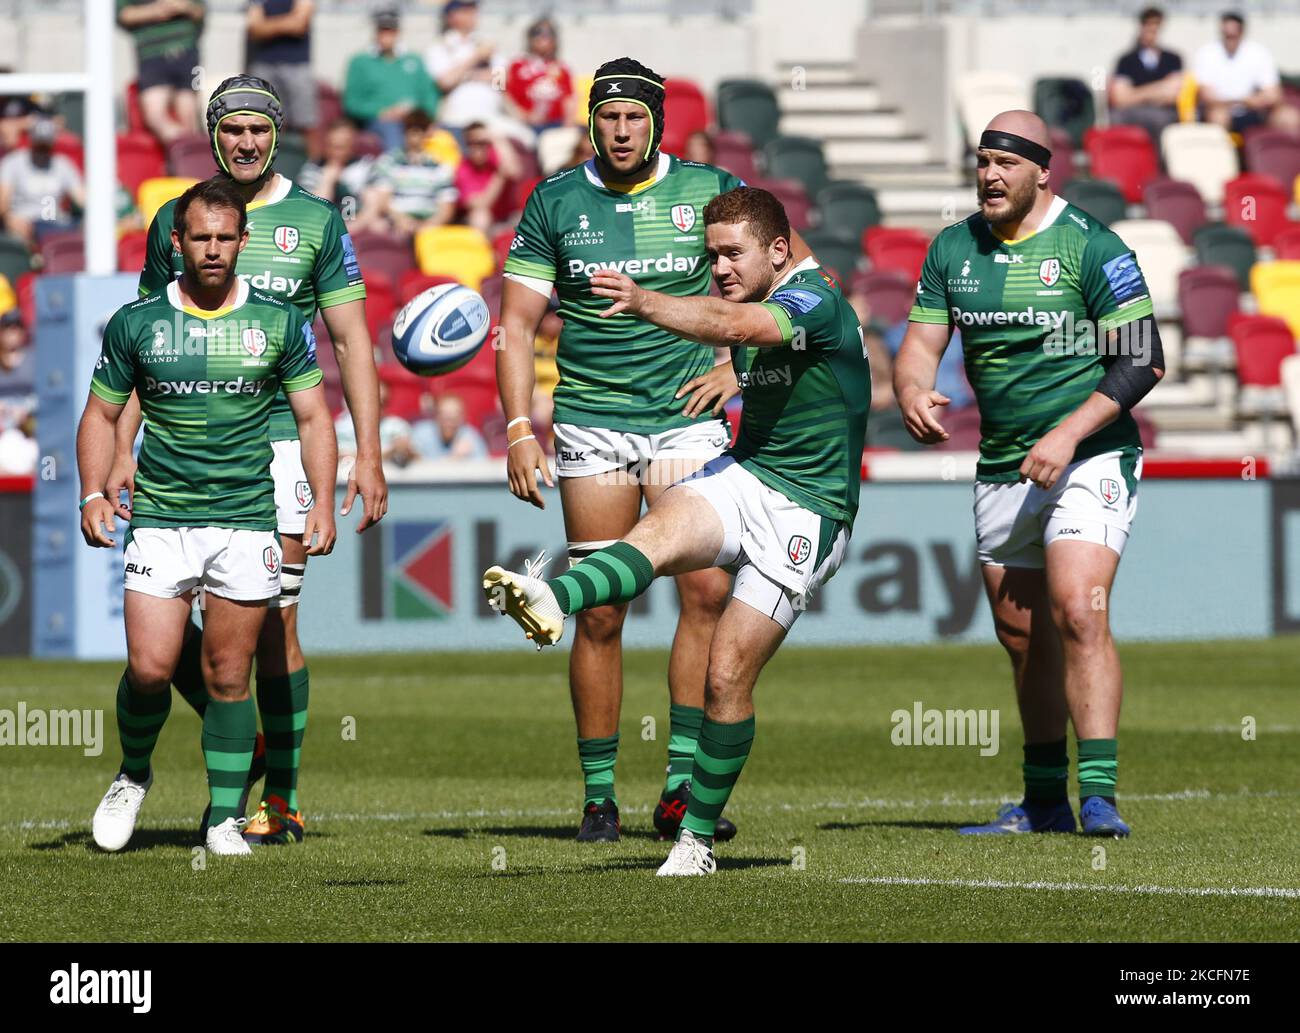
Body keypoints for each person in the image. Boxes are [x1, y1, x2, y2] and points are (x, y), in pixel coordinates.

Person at [484, 186, 869, 875]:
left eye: (732, 253)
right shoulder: (763, 301)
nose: (718, 267)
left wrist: (647, 302)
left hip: (808, 510)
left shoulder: (815, 298)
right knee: (655, 536)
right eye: (710, 254)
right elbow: (753, 339)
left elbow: (748, 327)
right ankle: (550, 599)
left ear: (779, 251)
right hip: (748, 476)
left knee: (726, 677)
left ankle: (693, 841)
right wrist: (732, 372)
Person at [498, 57, 814, 844]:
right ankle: (599, 793)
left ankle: (678, 785)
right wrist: (515, 426)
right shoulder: (556, 200)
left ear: (657, 120)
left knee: (705, 595)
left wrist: (734, 366)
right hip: (593, 422)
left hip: (683, 421)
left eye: (635, 115)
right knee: (602, 608)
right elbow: (516, 325)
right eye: (608, 116)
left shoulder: (708, 190)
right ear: (591, 121)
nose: (622, 128)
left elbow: (803, 279)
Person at [111, 76, 388, 847]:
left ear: (276, 135)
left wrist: (367, 451)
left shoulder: (315, 219)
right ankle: (241, 744)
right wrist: (119, 454)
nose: (245, 143)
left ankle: (284, 796)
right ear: (212, 133)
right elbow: (144, 339)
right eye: (231, 130)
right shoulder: (174, 216)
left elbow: (352, 342)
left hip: (280, 445)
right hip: (182, 443)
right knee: (173, 639)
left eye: (258, 131)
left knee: (275, 623)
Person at [894, 111, 1165, 838]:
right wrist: (912, 387)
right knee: (1022, 636)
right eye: (982, 161)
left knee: (1079, 607)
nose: (989, 174)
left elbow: (1143, 359)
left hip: (1091, 452)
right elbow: (920, 344)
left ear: (1043, 170)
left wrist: (1068, 432)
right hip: (1005, 464)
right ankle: (1045, 800)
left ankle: (1100, 794)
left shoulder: (1092, 246)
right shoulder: (953, 248)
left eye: (1005, 163)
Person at [78, 178, 337, 857]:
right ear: (177, 241)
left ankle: (224, 816)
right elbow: (101, 413)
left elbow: (312, 416)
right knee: (150, 668)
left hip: (248, 517)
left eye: (226, 237)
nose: (214, 249)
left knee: (228, 673)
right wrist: (92, 491)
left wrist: (324, 497)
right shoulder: (138, 322)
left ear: (244, 241)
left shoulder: (280, 321)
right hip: (162, 517)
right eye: (201, 237)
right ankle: (134, 773)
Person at [343, 7, 441, 154]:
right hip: (380, 123)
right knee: (393, 133)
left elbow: (429, 94)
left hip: (415, 120)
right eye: (383, 30)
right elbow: (352, 102)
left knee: (444, 137)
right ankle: (396, 172)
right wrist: (381, 112)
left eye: (391, 30)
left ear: (398, 32)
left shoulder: (414, 60)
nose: (387, 35)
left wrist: (426, 118)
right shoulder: (360, 62)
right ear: (376, 32)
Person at [116, 0, 205, 145]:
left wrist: (184, 7)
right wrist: (155, 11)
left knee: (190, 117)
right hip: (151, 55)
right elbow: (122, 14)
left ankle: (186, 155)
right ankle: (185, 148)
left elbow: (201, 11)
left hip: (188, 52)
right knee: (155, 116)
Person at [356, 110, 458, 235]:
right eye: (410, 128)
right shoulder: (388, 162)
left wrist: (427, 226)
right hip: (397, 225)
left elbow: (446, 207)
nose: (415, 134)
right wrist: (401, 220)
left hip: (430, 228)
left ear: (427, 132)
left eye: (420, 128)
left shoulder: (439, 166)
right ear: (404, 131)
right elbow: (383, 200)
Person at [1192, 11, 1295, 133]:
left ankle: (1284, 151)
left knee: (1289, 117)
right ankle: (1222, 151)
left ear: (1242, 32)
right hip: (1221, 110)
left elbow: (1273, 94)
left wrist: (1252, 102)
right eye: (1227, 35)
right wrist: (1239, 101)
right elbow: (1206, 95)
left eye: (1233, 35)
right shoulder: (1207, 53)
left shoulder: (1258, 52)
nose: (1230, 39)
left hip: (1255, 110)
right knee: (1218, 116)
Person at [246, 0, 319, 160]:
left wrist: (268, 25)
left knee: (307, 125)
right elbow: (255, 29)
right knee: (265, 125)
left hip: (297, 65)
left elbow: (299, 24)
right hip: (264, 66)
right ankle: (267, 173)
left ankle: (316, 168)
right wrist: (288, 22)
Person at [424, 0, 505, 142]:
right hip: (456, 122)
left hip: (491, 121)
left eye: (473, 9)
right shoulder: (440, 47)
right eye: (466, 10)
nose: (473, 14)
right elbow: (445, 82)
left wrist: (465, 75)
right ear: (451, 15)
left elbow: (500, 82)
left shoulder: (486, 43)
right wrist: (476, 57)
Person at [0, 116, 84, 246]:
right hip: (26, 222)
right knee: (18, 235)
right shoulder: (13, 163)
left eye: (45, 146)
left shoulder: (62, 165)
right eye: (39, 145)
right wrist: (9, 219)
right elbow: (3, 201)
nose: (42, 151)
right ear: (32, 141)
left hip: (56, 222)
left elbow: (82, 197)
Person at [1109, 7, 1184, 142]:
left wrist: (1134, 94)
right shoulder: (1126, 60)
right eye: (1148, 25)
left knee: (1161, 120)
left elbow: (1172, 95)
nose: (1151, 31)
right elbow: (1120, 98)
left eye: (1155, 26)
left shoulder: (1173, 59)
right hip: (1133, 112)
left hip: (1162, 113)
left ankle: (1159, 163)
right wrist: (1159, 88)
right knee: (1116, 118)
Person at [505, 18, 573, 134]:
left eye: (549, 33)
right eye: (538, 32)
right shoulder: (517, 64)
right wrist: (520, 114)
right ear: (530, 38)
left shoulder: (562, 67)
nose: (543, 37)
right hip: (525, 125)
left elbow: (570, 99)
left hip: (556, 124)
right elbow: (502, 92)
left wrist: (568, 124)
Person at [453, 121, 522, 233]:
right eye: (471, 143)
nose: (477, 148)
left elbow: (514, 172)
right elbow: (479, 204)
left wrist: (497, 139)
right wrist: (499, 177)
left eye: (482, 143)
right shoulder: (462, 168)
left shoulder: (496, 157)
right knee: (480, 216)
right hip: (483, 222)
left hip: (509, 216)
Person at [297, 118, 373, 217]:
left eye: (340, 147)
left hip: (358, 226)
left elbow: (374, 206)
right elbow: (314, 210)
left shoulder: (365, 167)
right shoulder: (312, 168)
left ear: (352, 146)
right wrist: (328, 180)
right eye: (331, 145)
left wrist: (352, 228)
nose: (334, 152)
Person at [411, 393, 487, 460]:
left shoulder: (470, 437)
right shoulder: (421, 433)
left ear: (462, 418)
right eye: (445, 417)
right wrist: (453, 458)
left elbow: (483, 468)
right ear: (436, 416)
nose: (449, 423)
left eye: (454, 418)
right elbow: (415, 466)